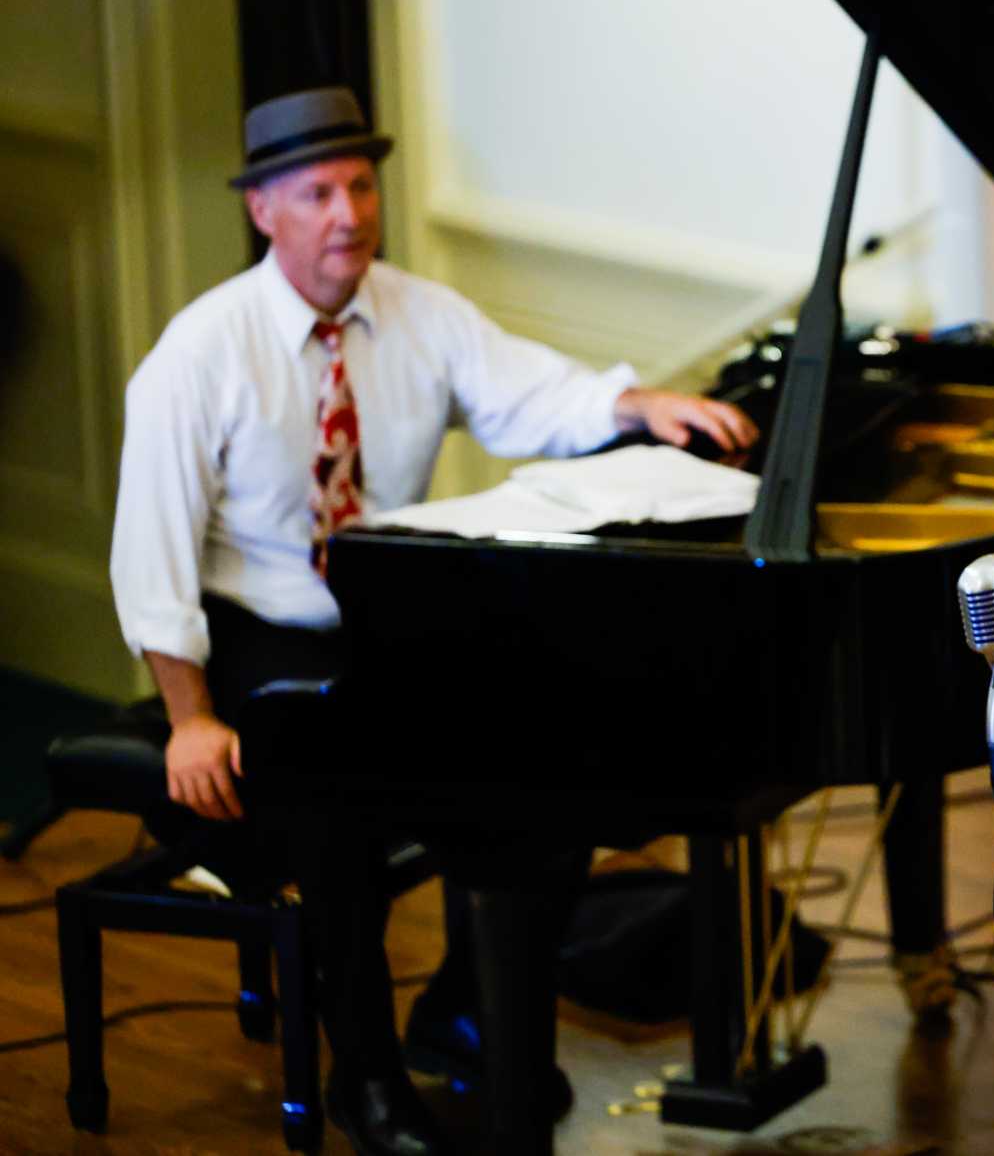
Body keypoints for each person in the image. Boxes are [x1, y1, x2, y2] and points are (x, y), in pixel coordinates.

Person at [109, 86, 758, 1156]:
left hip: (377, 608)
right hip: (251, 633)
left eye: (360, 185)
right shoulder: (199, 354)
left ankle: (463, 1013)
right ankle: (362, 1079)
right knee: (339, 814)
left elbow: (529, 397)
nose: (347, 214)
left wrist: (638, 406)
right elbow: (153, 556)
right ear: (263, 212)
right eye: (315, 192)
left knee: (551, 761)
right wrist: (188, 715)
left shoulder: (417, 311)